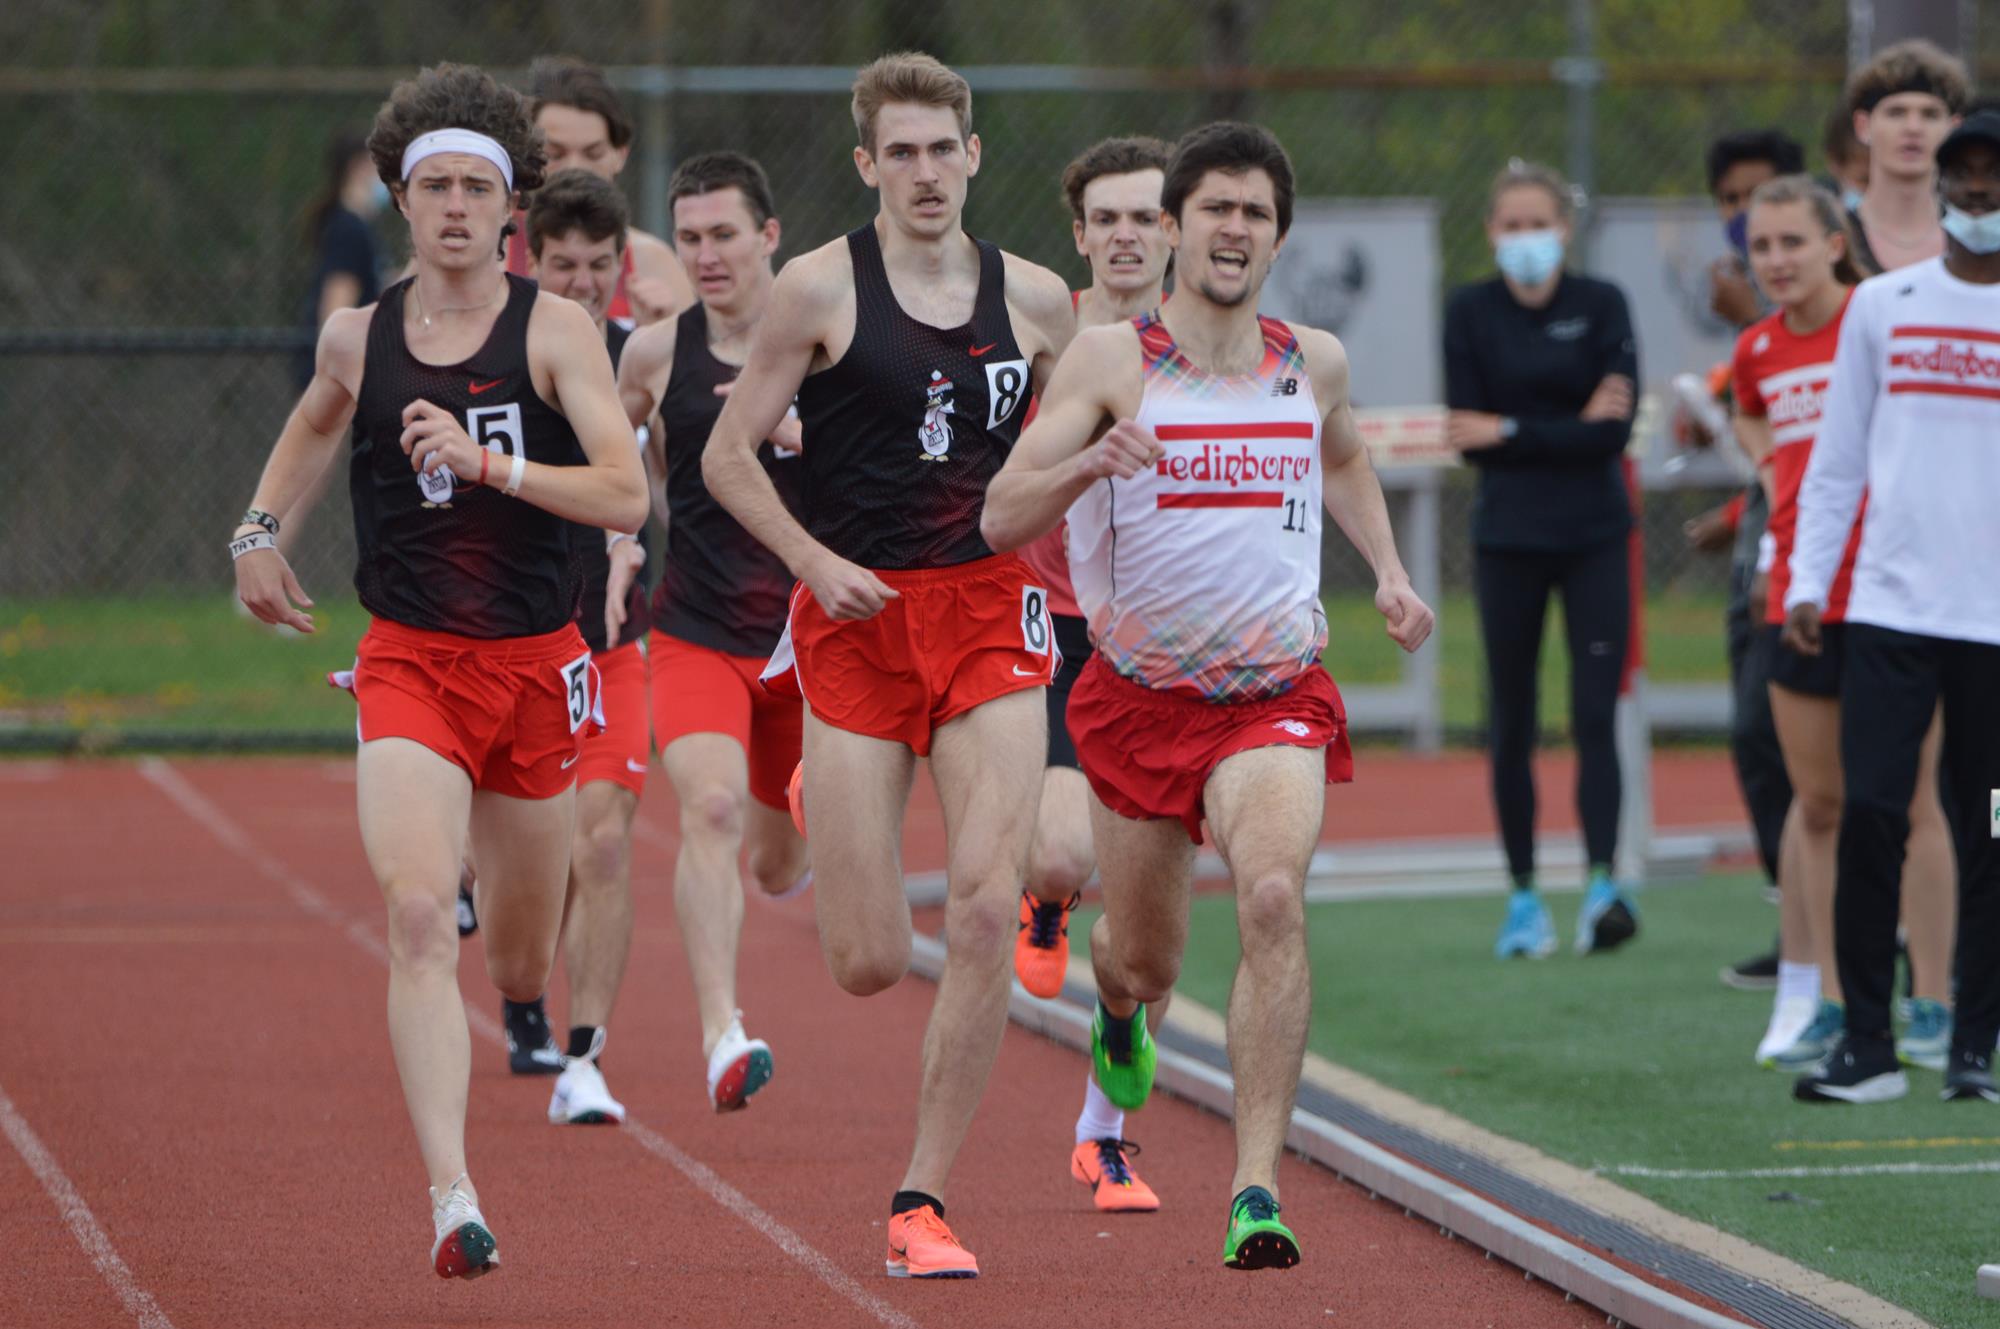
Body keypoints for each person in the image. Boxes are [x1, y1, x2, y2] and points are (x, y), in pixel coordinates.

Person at [982, 121, 1433, 1271]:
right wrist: (1087, 461)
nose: (1235, 230)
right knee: (1143, 962)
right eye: (1216, 209)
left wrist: (1384, 570)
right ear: (1176, 226)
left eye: (1257, 213)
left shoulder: (1308, 359)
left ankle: (1252, 1189)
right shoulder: (1110, 363)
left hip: (1272, 695)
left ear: (1278, 237)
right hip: (1134, 702)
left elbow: (1336, 453)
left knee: (1271, 895)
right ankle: (1119, 1012)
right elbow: (1000, 512)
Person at [231, 63, 649, 1277]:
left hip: (535, 668)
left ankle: (518, 985)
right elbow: (315, 420)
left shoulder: (557, 330)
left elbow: (623, 491)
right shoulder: (359, 335)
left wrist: (490, 468)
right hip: (407, 662)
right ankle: (453, 1197)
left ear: (510, 204)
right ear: (399, 201)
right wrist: (257, 533)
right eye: (435, 187)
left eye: (477, 187)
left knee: (519, 958)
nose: (457, 207)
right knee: (418, 916)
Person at [701, 52, 1075, 1279]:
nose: (923, 171)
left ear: (974, 154)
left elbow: (1069, 457)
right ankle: (811, 783)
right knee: (866, 960)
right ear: (867, 165)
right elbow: (725, 458)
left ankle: (922, 1198)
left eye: (941, 147)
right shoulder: (813, 290)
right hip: (855, 620)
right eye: (897, 152)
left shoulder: (1035, 302)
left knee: (976, 906)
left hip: (985, 614)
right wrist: (810, 562)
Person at [1790, 111, 2000, 1106]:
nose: (1975, 198)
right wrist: (1804, 582)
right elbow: (1835, 462)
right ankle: (1866, 1044)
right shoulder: (1881, 304)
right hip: (1888, 610)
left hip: (1992, 625)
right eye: (1960, 180)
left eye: (1991, 181)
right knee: (1873, 812)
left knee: (1989, 826)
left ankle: (1973, 1046)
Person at [1729, 175, 1956, 1075]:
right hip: (1803, 596)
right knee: (1818, 806)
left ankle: (1932, 1000)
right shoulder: (1754, 348)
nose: (1777, 261)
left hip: (1901, 594)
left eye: (1793, 241)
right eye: (1761, 247)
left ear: (1835, 241)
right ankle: (1827, 1000)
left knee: (1914, 803)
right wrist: (1771, 480)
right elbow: (1751, 410)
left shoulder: (1883, 317)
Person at [615, 150, 811, 1113]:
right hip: (693, 626)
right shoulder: (655, 356)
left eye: (724, 234)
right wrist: (617, 542)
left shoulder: (829, 340)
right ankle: (722, 1033)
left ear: (768, 235)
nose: (706, 254)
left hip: (810, 642)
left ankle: (801, 843)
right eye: (688, 237)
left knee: (779, 863)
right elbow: (608, 467)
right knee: (712, 812)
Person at [1008, 133, 1173, 1216]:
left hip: (1167, 644)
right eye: (1103, 218)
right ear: (1079, 235)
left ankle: (1102, 1125)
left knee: (1148, 942)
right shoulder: (1034, 333)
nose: (1123, 234)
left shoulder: (1216, 351)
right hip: (1055, 629)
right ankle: (1044, 899)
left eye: (1142, 217)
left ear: (1176, 229)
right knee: (1065, 851)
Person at [1442, 160, 1641, 959]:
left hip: (1595, 535)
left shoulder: (1603, 305)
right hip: (1508, 542)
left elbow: (1614, 432)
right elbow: (1467, 434)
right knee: (1513, 720)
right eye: (1512, 225)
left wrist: (1514, 430)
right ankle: (1524, 898)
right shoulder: (1469, 311)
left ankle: (1603, 885)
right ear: (1492, 233)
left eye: (1540, 223)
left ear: (1565, 229)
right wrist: (1559, 426)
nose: (1527, 239)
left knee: (1596, 715)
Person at [505, 168, 657, 1124]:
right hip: (507, 644)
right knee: (529, 854)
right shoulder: (496, 354)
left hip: (609, 644)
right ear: (530, 260)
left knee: (602, 840)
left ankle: (585, 1055)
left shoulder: (636, 357)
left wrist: (627, 546)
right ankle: (522, 990)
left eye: (599, 266)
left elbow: (674, 471)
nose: (580, 284)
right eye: (563, 265)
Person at [1691, 129, 1806, 991]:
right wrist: (1743, 514)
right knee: (1758, 735)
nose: (1746, 222)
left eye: (1763, 201)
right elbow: (1778, 446)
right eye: (1733, 205)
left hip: (1858, 566)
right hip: (1774, 544)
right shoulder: (1755, 335)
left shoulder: (1845, 303)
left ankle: (1925, 942)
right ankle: (1798, 919)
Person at [507, 55, 693, 325]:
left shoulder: (652, 264)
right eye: (555, 153)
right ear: (528, 156)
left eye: (592, 153)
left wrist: (660, 342)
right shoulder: (492, 255)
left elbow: (694, 363)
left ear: (620, 155)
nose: (575, 168)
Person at [280, 130, 390, 561]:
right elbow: (336, 309)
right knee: (304, 475)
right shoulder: (348, 228)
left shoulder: (360, 228)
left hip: (357, 368)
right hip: (339, 371)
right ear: (358, 168)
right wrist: (341, 372)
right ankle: (258, 567)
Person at [1844, 39, 1969, 276]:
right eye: (1896, 112)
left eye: (1930, 114)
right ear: (1863, 125)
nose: (1913, 128)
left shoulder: (1976, 239)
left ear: (1954, 128)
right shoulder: (1832, 237)